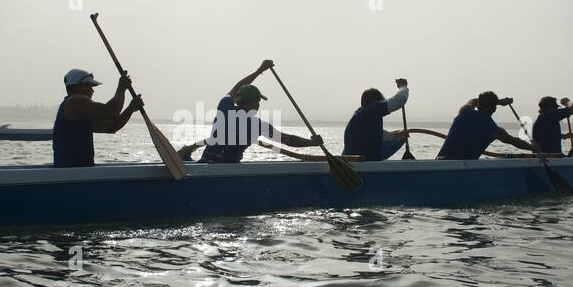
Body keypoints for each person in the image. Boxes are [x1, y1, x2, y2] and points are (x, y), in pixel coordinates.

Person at [177, 60, 323, 163]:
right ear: (254, 103)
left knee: (191, 156)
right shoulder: (257, 125)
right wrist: (312, 143)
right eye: (258, 101)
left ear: (238, 100)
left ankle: (185, 156)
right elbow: (287, 140)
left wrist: (259, 71)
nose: (258, 105)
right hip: (228, 170)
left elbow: (237, 87)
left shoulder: (224, 107)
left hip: (204, 163)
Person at [52, 69, 144, 167]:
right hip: (74, 171)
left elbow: (112, 127)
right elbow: (111, 111)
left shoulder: (80, 112)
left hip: (78, 170)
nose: (93, 90)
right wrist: (121, 88)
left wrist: (130, 109)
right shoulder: (75, 101)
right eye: (90, 86)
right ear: (81, 86)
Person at [437, 91, 539, 159]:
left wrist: (499, 102)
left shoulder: (464, 111)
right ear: (494, 109)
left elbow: (473, 101)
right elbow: (515, 141)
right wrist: (533, 147)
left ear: (478, 105)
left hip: (440, 161)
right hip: (461, 167)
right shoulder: (494, 130)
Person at [342, 78, 409, 161]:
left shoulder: (359, 116)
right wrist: (403, 86)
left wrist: (394, 135)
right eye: (381, 103)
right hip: (364, 162)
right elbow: (400, 100)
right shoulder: (372, 109)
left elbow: (376, 134)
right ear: (375, 102)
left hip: (353, 161)